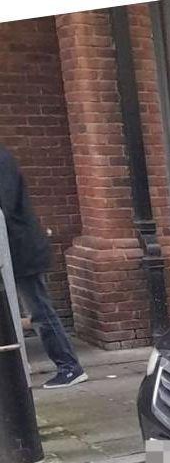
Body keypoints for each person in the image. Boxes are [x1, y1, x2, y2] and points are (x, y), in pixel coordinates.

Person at [0, 144, 86, 389]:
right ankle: (15, 366)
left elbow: (4, 205)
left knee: (40, 312)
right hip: (9, 249)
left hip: (20, 250)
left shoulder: (2, 159)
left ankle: (69, 366)